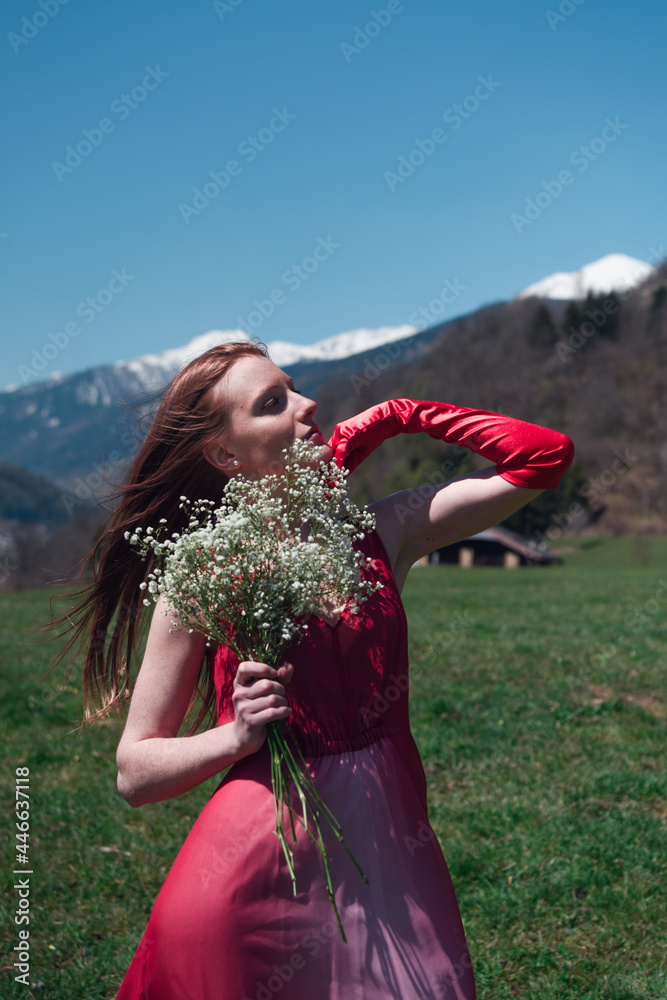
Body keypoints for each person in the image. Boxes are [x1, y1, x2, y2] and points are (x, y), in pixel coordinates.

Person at [52, 340, 574, 999]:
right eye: (274, 404)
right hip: (250, 881)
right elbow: (133, 773)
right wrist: (235, 736)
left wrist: (397, 416)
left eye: (294, 388)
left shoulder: (383, 531)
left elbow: (543, 457)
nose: (308, 405)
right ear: (223, 455)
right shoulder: (199, 574)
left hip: (393, 855)